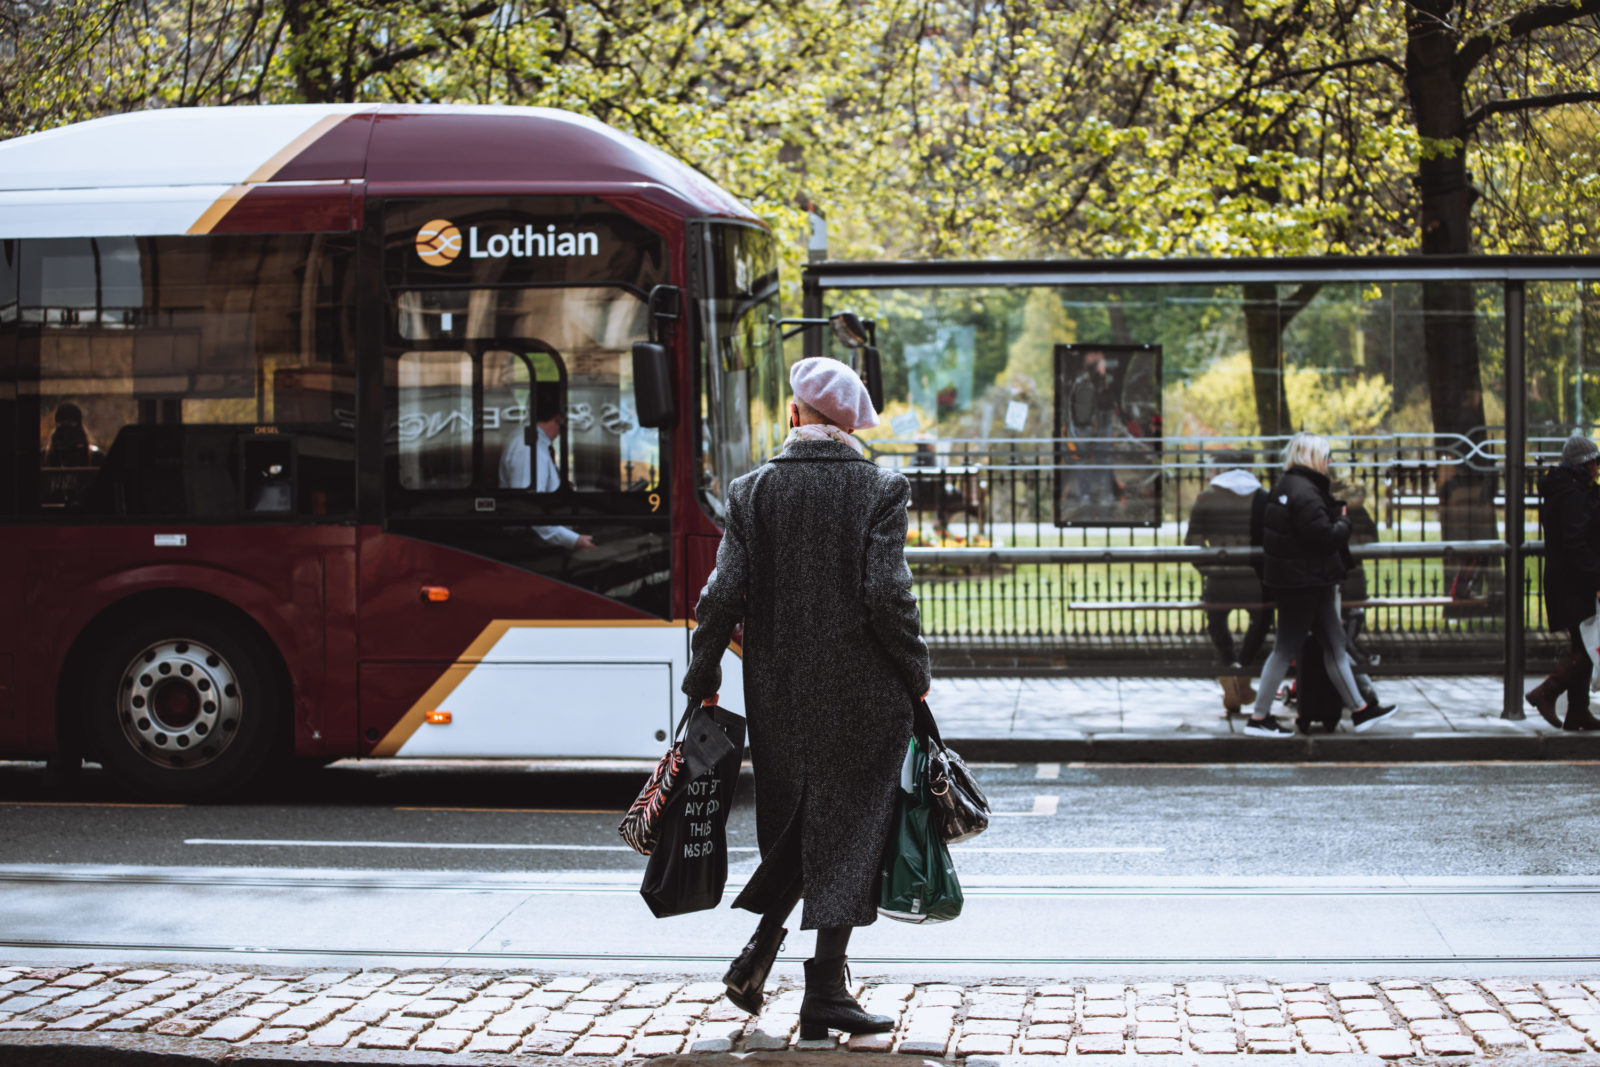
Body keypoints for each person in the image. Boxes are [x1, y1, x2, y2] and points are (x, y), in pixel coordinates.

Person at [682, 356, 932, 1040]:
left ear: (794, 414)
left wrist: (703, 677)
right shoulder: (880, 488)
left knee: (799, 822)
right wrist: (915, 670)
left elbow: (719, 596)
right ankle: (821, 986)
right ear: (851, 425)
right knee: (849, 830)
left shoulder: (752, 490)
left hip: (779, 692)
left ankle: (765, 954)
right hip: (865, 691)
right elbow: (888, 595)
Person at [1245, 432, 1393, 737]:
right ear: (1312, 458)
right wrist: (1344, 522)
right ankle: (1259, 718)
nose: (1329, 462)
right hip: (1307, 583)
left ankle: (1360, 710)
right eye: (1326, 457)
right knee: (1289, 649)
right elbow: (1323, 537)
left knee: (1334, 646)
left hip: (1301, 582)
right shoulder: (1307, 493)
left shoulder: (1286, 487)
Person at [1185, 450, 1271, 714]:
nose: (1208, 473)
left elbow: (1193, 542)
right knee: (1261, 621)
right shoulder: (1263, 497)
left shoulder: (1206, 497)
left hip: (1220, 579)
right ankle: (1243, 670)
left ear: (1223, 469)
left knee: (1217, 623)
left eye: (1212, 468)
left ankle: (1228, 667)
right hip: (1255, 579)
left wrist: (1209, 569)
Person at [1525, 435, 1600, 730]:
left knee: (1584, 643)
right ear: (1583, 464)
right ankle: (1547, 692)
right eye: (1594, 462)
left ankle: (1578, 711)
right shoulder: (1572, 494)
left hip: (1572, 579)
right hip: (1575, 581)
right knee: (1587, 647)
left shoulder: (1574, 489)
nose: (1597, 468)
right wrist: (1596, 577)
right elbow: (1576, 542)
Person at [499, 388, 595, 551]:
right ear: (558, 419)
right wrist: (574, 541)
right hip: (533, 544)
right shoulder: (529, 448)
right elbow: (529, 510)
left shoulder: (533, 441)